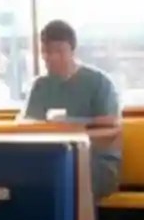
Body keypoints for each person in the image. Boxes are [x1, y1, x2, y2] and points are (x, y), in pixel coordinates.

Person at [21, 20, 122, 200]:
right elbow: (28, 125)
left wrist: (70, 124)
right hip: (53, 158)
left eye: (58, 51)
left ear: (72, 51)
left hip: (97, 162)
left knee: (59, 174)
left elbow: (110, 126)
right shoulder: (40, 86)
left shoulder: (99, 83)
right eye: (46, 51)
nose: (51, 57)